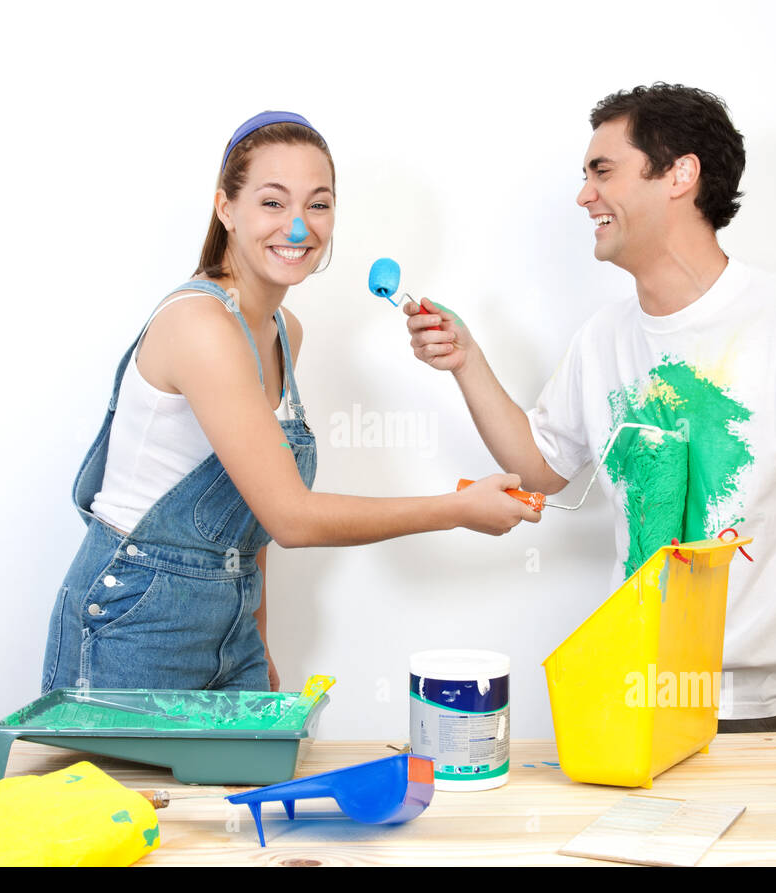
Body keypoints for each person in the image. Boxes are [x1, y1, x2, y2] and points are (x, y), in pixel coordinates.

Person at [403, 85, 776, 732]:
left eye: (603, 171)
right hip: (644, 705)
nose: (583, 195)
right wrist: (467, 361)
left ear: (680, 174)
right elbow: (542, 471)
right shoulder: (603, 339)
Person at [42, 111, 539, 696]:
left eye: (319, 205)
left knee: (256, 787)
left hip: (229, 629)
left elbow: (253, 515)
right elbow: (290, 517)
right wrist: (457, 509)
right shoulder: (201, 326)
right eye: (273, 203)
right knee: (133, 794)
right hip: (134, 623)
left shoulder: (284, 330)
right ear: (226, 207)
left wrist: (255, 640)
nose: (299, 228)